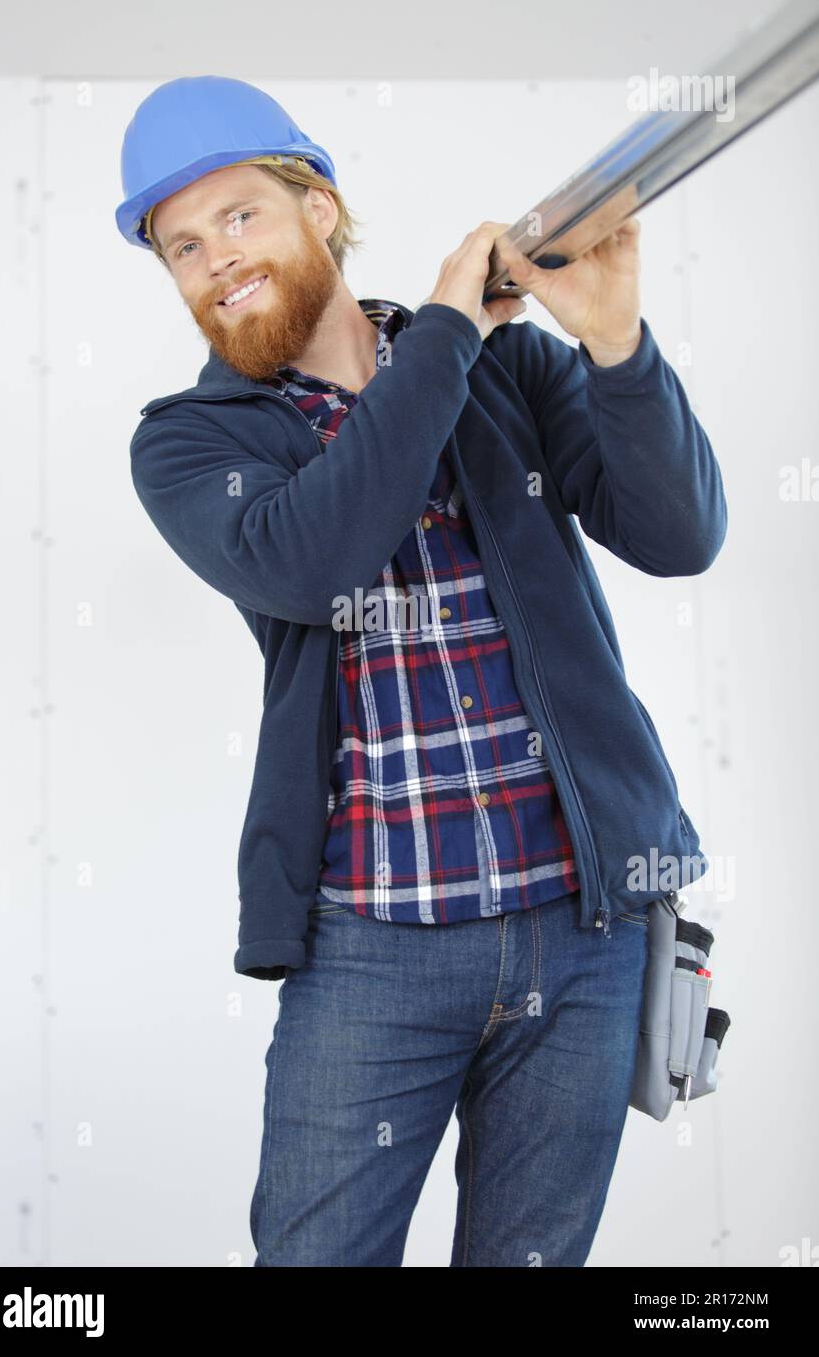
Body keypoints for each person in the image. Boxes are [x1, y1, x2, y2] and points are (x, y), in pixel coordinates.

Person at [118, 76, 725, 1266]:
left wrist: (610, 341)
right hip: (372, 953)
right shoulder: (190, 441)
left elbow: (677, 534)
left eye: (239, 216)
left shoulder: (507, 371)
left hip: (580, 924)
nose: (213, 261)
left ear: (320, 208)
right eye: (180, 247)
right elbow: (315, 557)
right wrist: (447, 329)